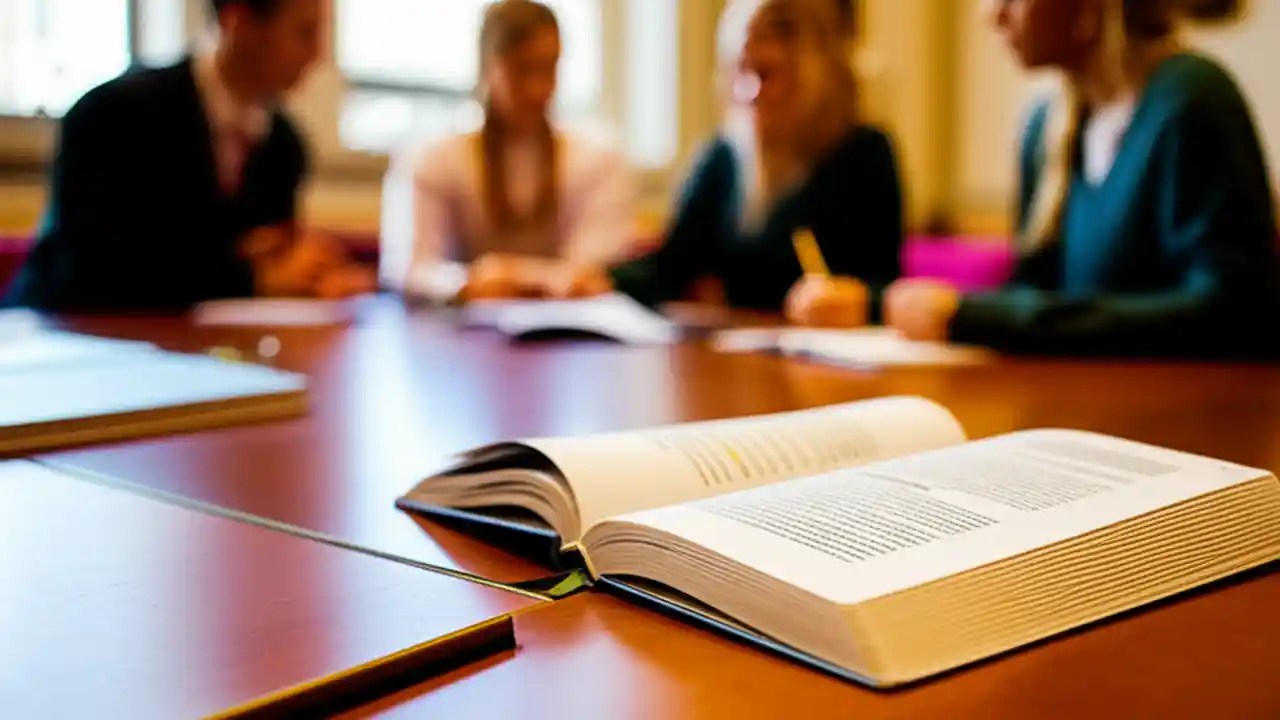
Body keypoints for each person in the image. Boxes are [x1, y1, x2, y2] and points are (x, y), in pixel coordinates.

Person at [868, 0, 1278, 357]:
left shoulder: (1190, 97)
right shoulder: (1046, 127)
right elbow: (1034, 289)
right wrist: (885, 306)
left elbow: (1228, 311)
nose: (990, 14)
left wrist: (972, 317)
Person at [4, 0, 373, 312]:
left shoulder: (285, 145)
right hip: (62, 343)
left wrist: (314, 278)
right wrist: (248, 279)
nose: (318, 54)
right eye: (304, 32)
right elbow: (96, 271)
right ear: (239, 21)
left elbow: (266, 259)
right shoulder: (113, 114)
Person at [563, 0, 902, 323]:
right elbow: (673, 268)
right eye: (741, 71)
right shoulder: (722, 159)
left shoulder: (863, 155)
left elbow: (887, 288)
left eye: (767, 74)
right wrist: (595, 278)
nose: (749, 92)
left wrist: (856, 301)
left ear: (812, 76)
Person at [379, 0, 635, 303]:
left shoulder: (598, 161)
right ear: (487, 67)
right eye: (521, 69)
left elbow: (593, 267)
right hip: (458, 338)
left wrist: (507, 274)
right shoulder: (432, 158)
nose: (537, 88)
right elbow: (408, 267)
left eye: (548, 67)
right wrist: (465, 283)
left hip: (564, 338)